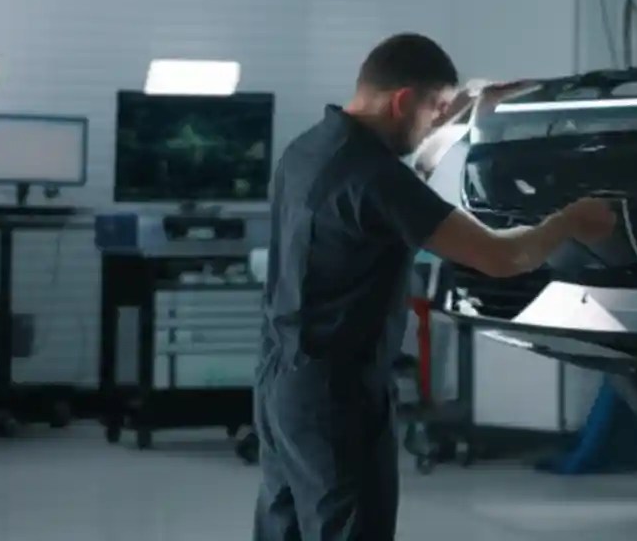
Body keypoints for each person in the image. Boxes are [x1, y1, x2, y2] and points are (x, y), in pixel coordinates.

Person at [252, 32, 617, 541]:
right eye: (434, 109)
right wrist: (571, 220)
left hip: (280, 383)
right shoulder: (375, 177)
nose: (435, 122)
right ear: (403, 100)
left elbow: (404, 182)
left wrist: (463, 108)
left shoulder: (308, 150)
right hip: (337, 395)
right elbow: (502, 256)